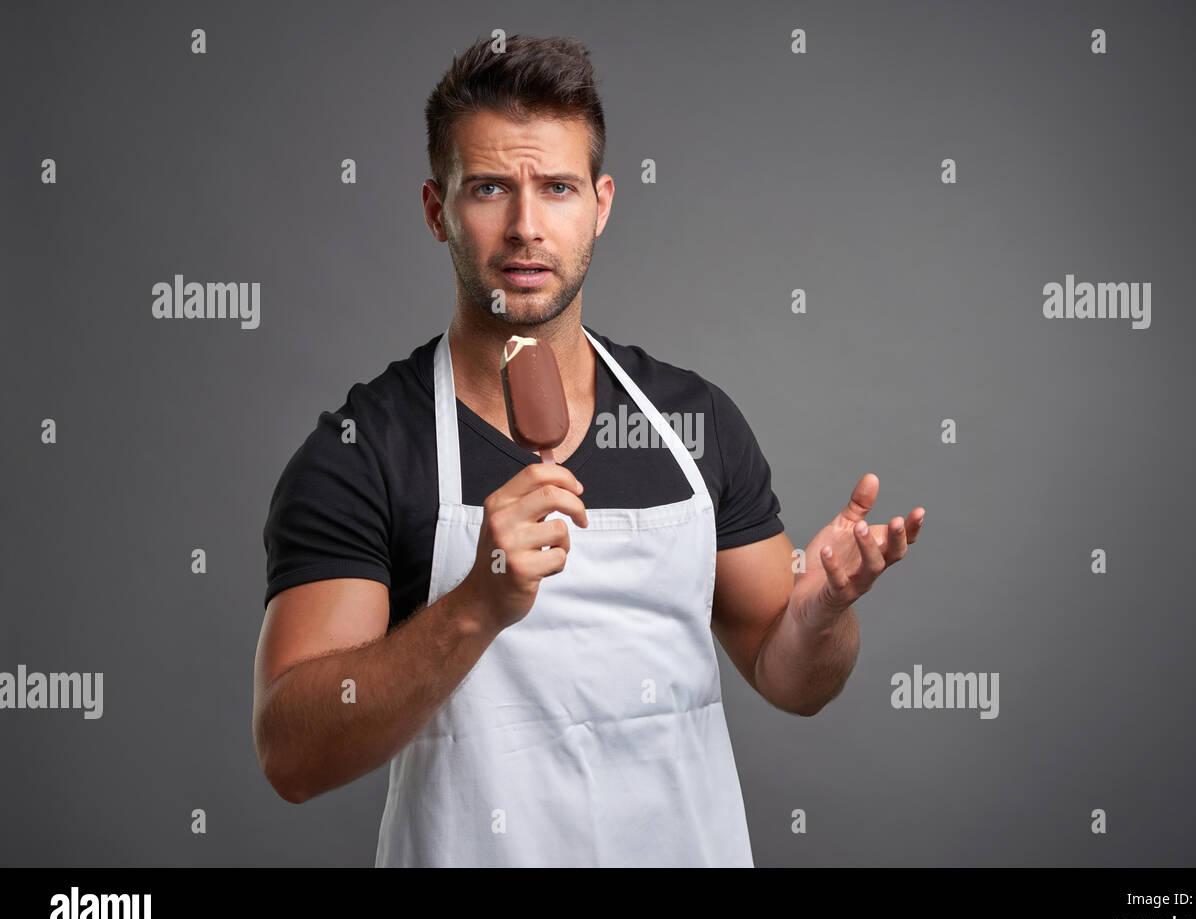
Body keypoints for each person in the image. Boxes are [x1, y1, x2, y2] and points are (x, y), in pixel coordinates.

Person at [252, 34, 925, 867]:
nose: (527, 227)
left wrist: (821, 613)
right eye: (491, 188)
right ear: (437, 210)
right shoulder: (363, 450)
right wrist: (474, 605)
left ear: (602, 203)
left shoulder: (692, 421)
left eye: (558, 188)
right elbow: (292, 752)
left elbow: (792, 678)